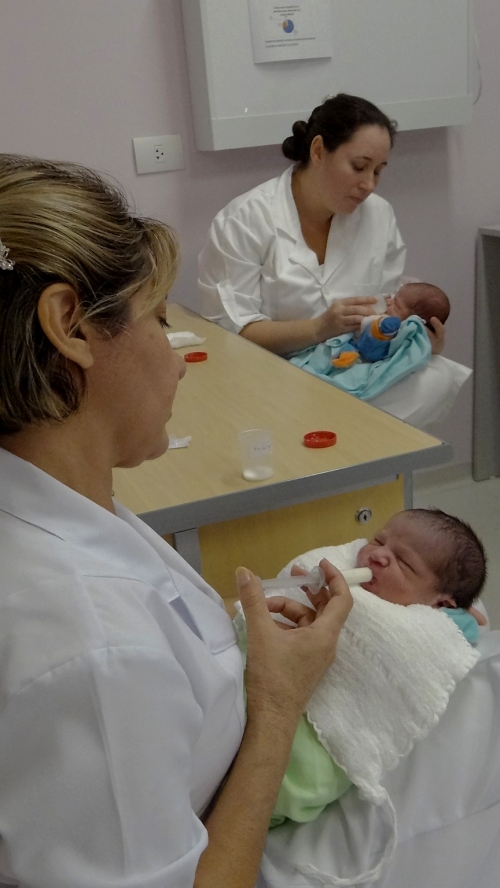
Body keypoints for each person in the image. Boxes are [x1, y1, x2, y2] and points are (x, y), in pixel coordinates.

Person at [0, 154, 353, 888]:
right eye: (158, 318)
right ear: (71, 327)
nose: (179, 359)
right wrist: (277, 704)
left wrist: (227, 639)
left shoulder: (51, 499)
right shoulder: (91, 651)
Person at [242, 508, 487, 828]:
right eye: (379, 541)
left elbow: (462, 630)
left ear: (441, 603)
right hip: (270, 699)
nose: (379, 555)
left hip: (325, 737)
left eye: (404, 561)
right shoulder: (341, 568)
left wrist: (465, 614)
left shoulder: (429, 626)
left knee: (295, 779)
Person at [198, 93, 446, 363]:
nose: (369, 185)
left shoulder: (379, 215)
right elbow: (233, 332)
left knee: (436, 376)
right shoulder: (244, 221)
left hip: (356, 363)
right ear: (318, 151)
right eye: (359, 166)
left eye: (377, 171)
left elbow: (385, 311)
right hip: (271, 372)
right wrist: (318, 328)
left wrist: (415, 339)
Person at [332, 280, 450, 366]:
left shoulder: (402, 336)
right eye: (393, 297)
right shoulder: (379, 315)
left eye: (396, 304)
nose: (388, 301)